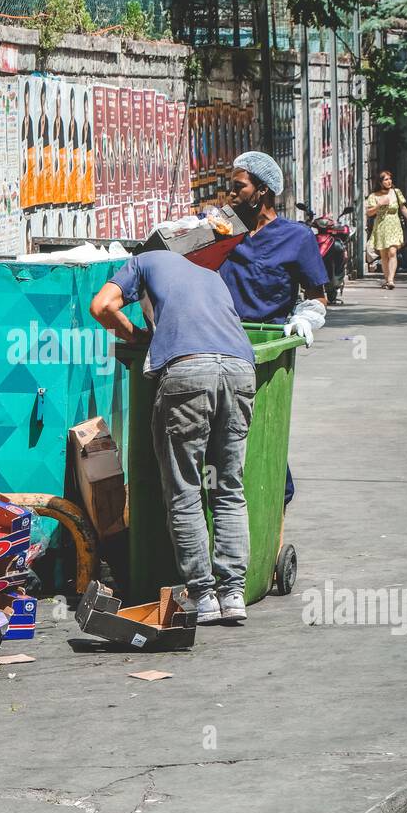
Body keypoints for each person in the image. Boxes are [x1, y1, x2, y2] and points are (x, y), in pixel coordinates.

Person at [90, 250, 257, 624]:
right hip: (240, 369)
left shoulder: (143, 261)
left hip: (188, 372)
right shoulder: (211, 275)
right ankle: (233, 594)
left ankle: (203, 595)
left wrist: (135, 336)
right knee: (229, 487)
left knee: (185, 490)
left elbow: (101, 306)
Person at [218, 151, 329, 506]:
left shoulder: (296, 237)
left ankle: (276, 502)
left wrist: (304, 319)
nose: (231, 194)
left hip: (265, 350)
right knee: (222, 435)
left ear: (262, 190)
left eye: (239, 187)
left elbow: (317, 297)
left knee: (260, 430)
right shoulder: (222, 230)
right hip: (218, 343)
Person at [366, 169, 407, 289]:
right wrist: (379, 204)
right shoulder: (374, 196)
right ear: (380, 182)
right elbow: (369, 213)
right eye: (386, 180)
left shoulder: (396, 192)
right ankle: (387, 279)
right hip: (381, 226)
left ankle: (391, 280)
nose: (389, 181)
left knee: (392, 252)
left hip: (394, 225)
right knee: (384, 255)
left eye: (390, 179)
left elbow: (402, 208)